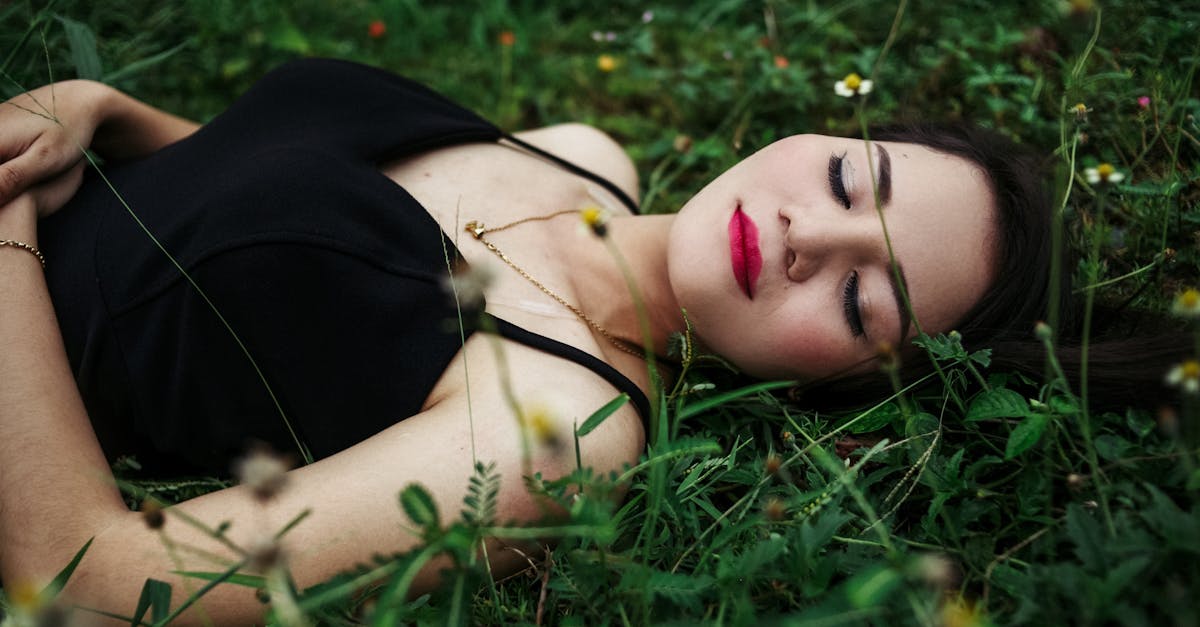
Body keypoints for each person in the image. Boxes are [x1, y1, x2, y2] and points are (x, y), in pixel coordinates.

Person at [0, 58, 1063, 623]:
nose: (809, 238)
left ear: (848, 384)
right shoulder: (585, 156)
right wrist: (108, 111)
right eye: (845, 179)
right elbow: (239, 186)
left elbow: (94, 576)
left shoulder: (562, 429)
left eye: (859, 303)